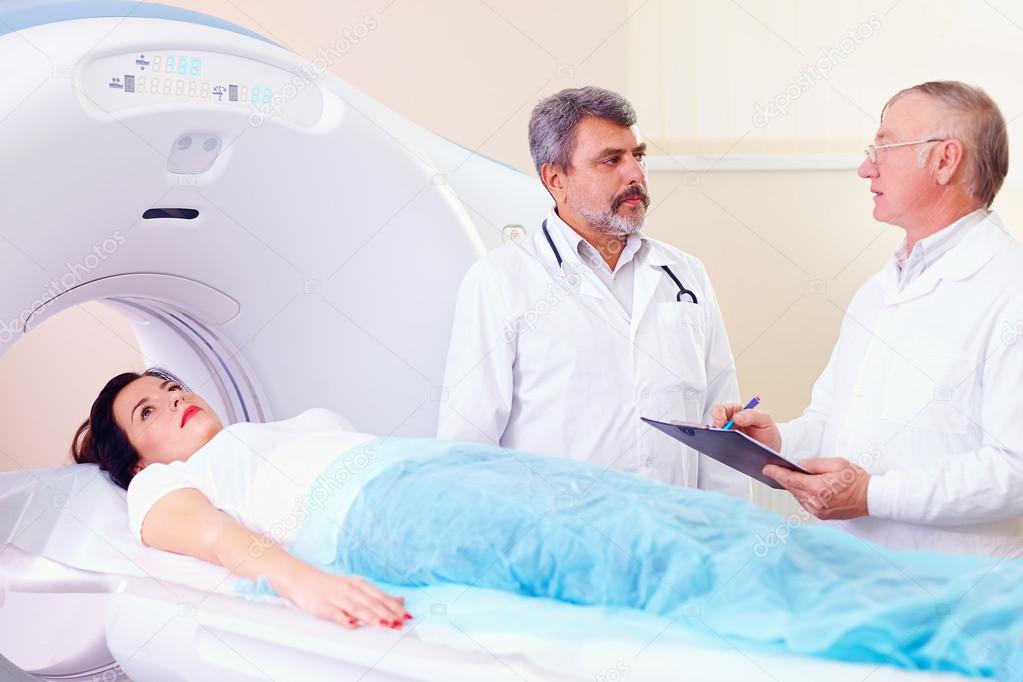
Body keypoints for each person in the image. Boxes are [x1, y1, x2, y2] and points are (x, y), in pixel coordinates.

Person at [72, 368, 1023, 676]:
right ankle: (968, 637)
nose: (173, 402)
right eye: (146, 413)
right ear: (136, 455)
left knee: (690, 519)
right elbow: (215, 541)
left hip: (451, 472)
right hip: (388, 511)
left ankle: (984, 598)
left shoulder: (268, 427)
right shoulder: (164, 489)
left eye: (170, 386)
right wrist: (299, 579)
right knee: (642, 553)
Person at [712, 81, 1023, 558]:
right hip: (859, 577)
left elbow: (1014, 470)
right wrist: (777, 444)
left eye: (883, 146)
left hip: (962, 596)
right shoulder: (879, 291)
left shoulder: (1009, 288)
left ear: (945, 160)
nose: (865, 167)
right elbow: (833, 421)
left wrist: (870, 496)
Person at [438, 86, 748, 498]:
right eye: (611, 160)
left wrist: (731, 540)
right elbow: (467, 448)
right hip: (559, 547)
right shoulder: (499, 280)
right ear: (556, 179)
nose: (635, 174)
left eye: (637, 156)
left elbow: (720, 428)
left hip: (677, 540)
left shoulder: (685, 275)